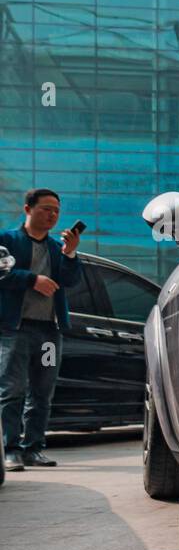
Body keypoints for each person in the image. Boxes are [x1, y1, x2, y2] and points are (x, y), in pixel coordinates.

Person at [0, 189, 83, 472]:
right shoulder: (6, 240)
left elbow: (71, 281)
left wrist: (70, 253)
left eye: (56, 211)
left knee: (42, 392)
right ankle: (10, 450)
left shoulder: (55, 248)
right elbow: (1, 273)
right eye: (46, 208)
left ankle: (33, 449)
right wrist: (32, 279)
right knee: (12, 389)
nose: (52, 215)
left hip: (49, 331)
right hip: (15, 329)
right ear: (28, 208)